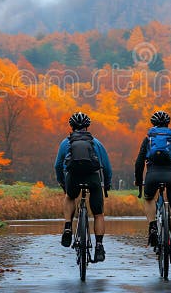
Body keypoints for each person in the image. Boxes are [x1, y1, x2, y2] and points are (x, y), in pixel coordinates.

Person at [54, 112, 113, 263]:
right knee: (98, 214)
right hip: (93, 178)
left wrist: (63, 183)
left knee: (69, 197)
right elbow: (106, 166)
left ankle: (68, 226)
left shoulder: (65, 143)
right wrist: (106, 184)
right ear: (87, 127)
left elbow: (58, 165)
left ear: (71, 127)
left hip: (73, 177)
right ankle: (99, 246)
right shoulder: (96, 143)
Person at [134, 110, 171, 262]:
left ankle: (152, 226)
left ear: (153, 124)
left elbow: (139, 162)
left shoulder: (148, 139)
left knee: (149, 198)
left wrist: (138, 180)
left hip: (152, 175)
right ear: (168, 124)